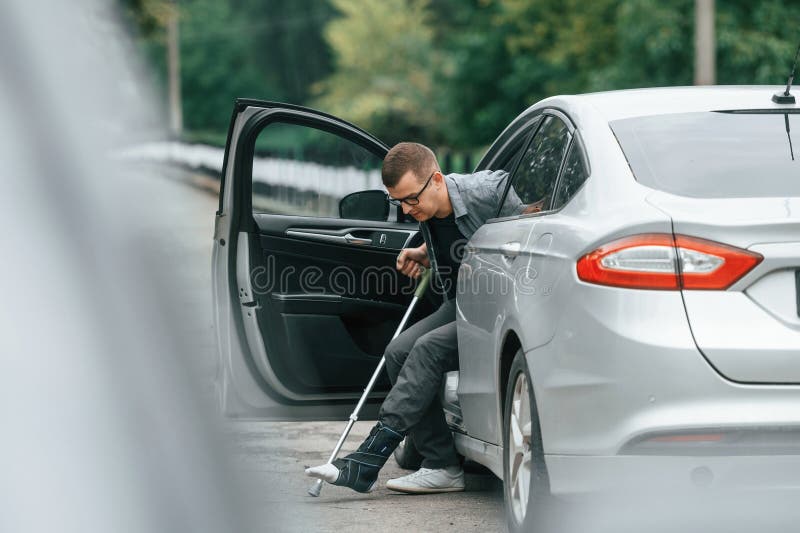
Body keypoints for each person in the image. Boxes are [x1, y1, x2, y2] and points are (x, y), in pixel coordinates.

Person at [305, 142, 521, 494]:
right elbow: (449, 233)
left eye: (411, 199)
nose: (407, 209)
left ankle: (365, 462)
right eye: (399, 202)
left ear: (436, 179)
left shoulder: (489, 193)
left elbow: (534, 224)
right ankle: (442, 464)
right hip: (462, 303)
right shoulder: (428, 207)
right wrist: (422, 251)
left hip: (499, 309)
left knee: (426, 349)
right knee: (399, 351)